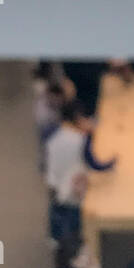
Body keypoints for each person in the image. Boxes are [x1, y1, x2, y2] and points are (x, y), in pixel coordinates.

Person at [44, 101, 90, 243]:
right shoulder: (79, 140)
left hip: (56, 184)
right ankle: (74, 244)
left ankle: (55, 241)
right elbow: (91, 163)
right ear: (77, 118)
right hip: (73, 189)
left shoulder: (53, 138)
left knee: (57, 210)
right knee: (73, 219)